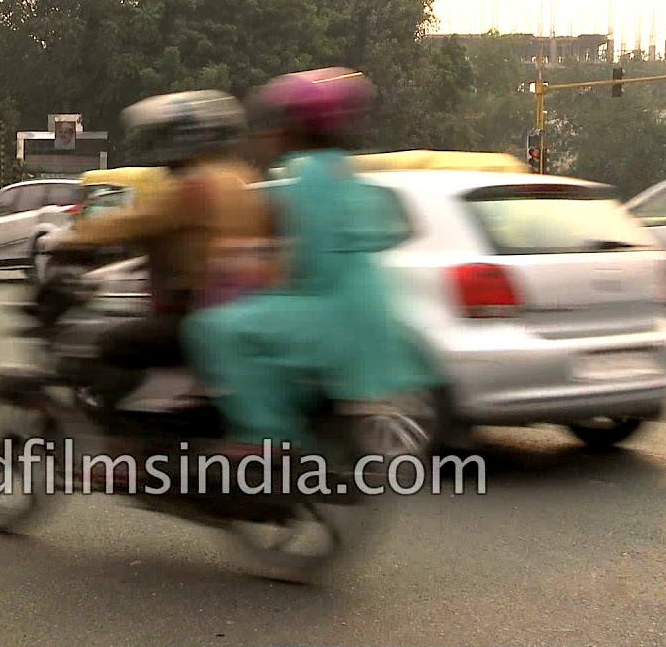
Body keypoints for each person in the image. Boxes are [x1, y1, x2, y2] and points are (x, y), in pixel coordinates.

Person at [182, 67, 444, 456]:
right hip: (369, 312)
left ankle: (263, 436)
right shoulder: (343, 170)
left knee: (211, 328)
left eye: (281, 122)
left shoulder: (307, 176)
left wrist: (253, 275)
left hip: (331, 314)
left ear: (299, 126)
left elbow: (310, 269)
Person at [45, 90, 278, 389]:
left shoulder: (194, 186)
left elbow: (134, 223)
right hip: (242, 313)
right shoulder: (243, 177)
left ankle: (119, 431)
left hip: (192, 316)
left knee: (106, 345)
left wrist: (67, 239)